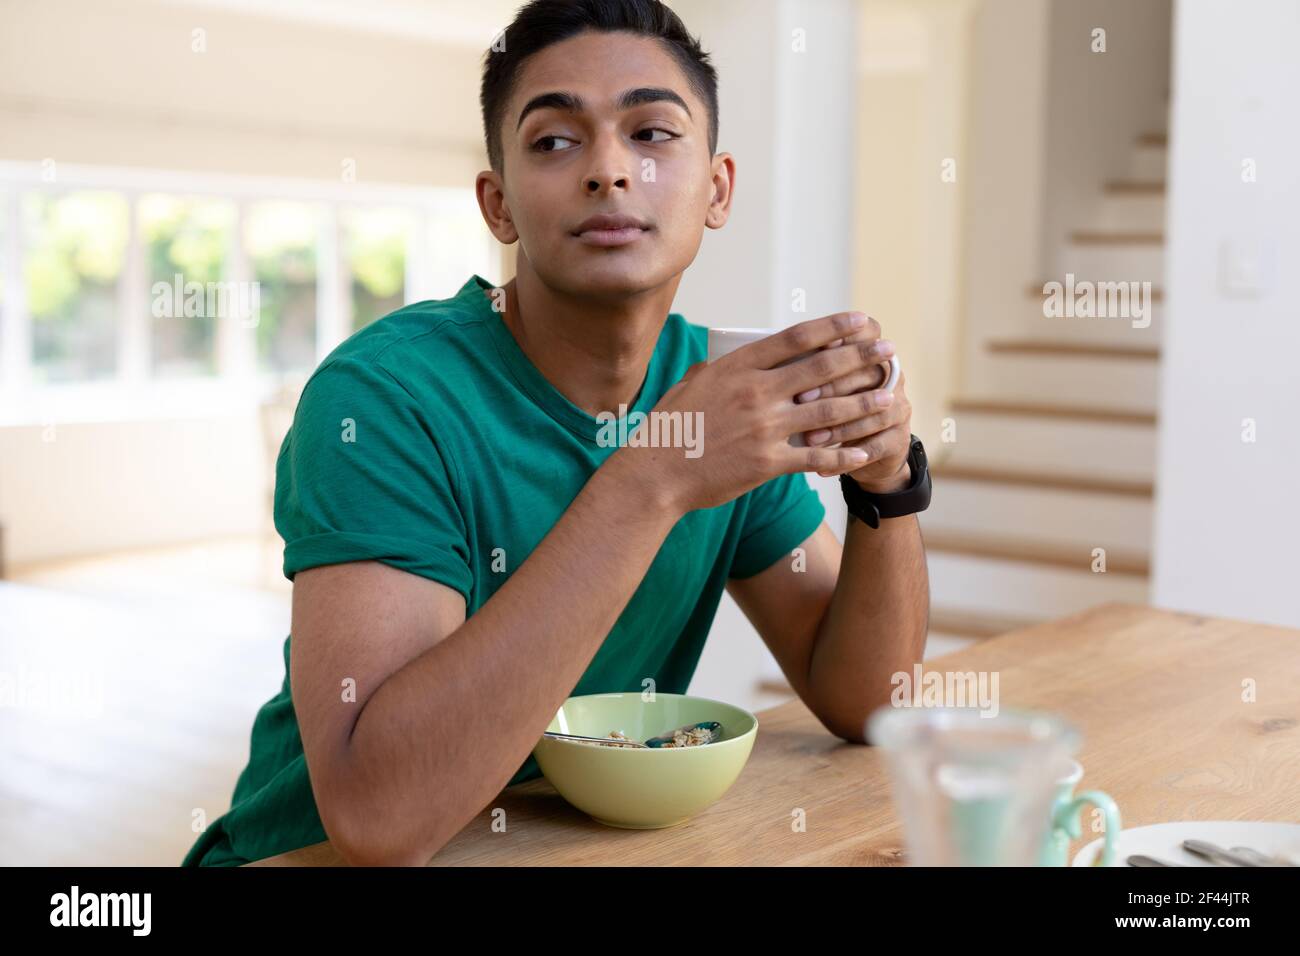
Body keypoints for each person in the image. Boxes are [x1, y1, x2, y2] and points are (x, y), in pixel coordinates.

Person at [182, 0, 930, 868]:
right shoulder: (383, 398)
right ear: (497, 205)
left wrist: (887, 484)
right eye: (554, 141)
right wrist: (659, 473)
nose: (610, 170)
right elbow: (378, 817)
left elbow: (872, 703)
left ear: (717, 189)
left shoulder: (717, 394)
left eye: (652, 133)